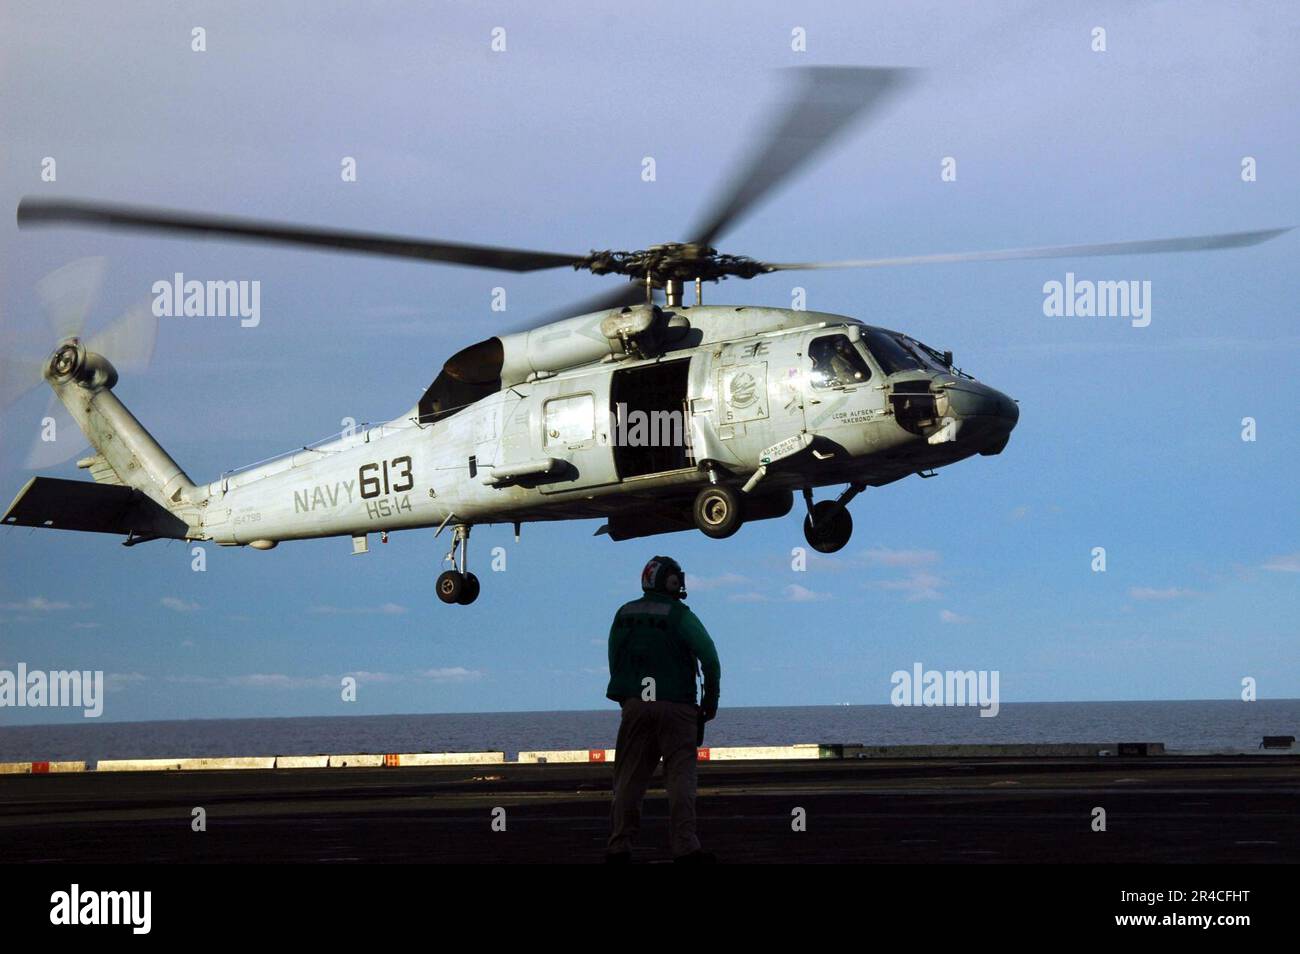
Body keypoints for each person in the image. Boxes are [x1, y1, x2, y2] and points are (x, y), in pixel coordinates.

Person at [605, 555, 721, 863]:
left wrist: (625, 697)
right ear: (670, 581)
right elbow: (709, 658)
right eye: (676, 579)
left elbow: (614, 656)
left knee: (629, 778)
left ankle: (619, 845)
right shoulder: (680, 615)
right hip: (678, 706)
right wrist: (710, 703)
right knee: (680, 778)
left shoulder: (624, 613)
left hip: (636, 706)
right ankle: (686, 847)